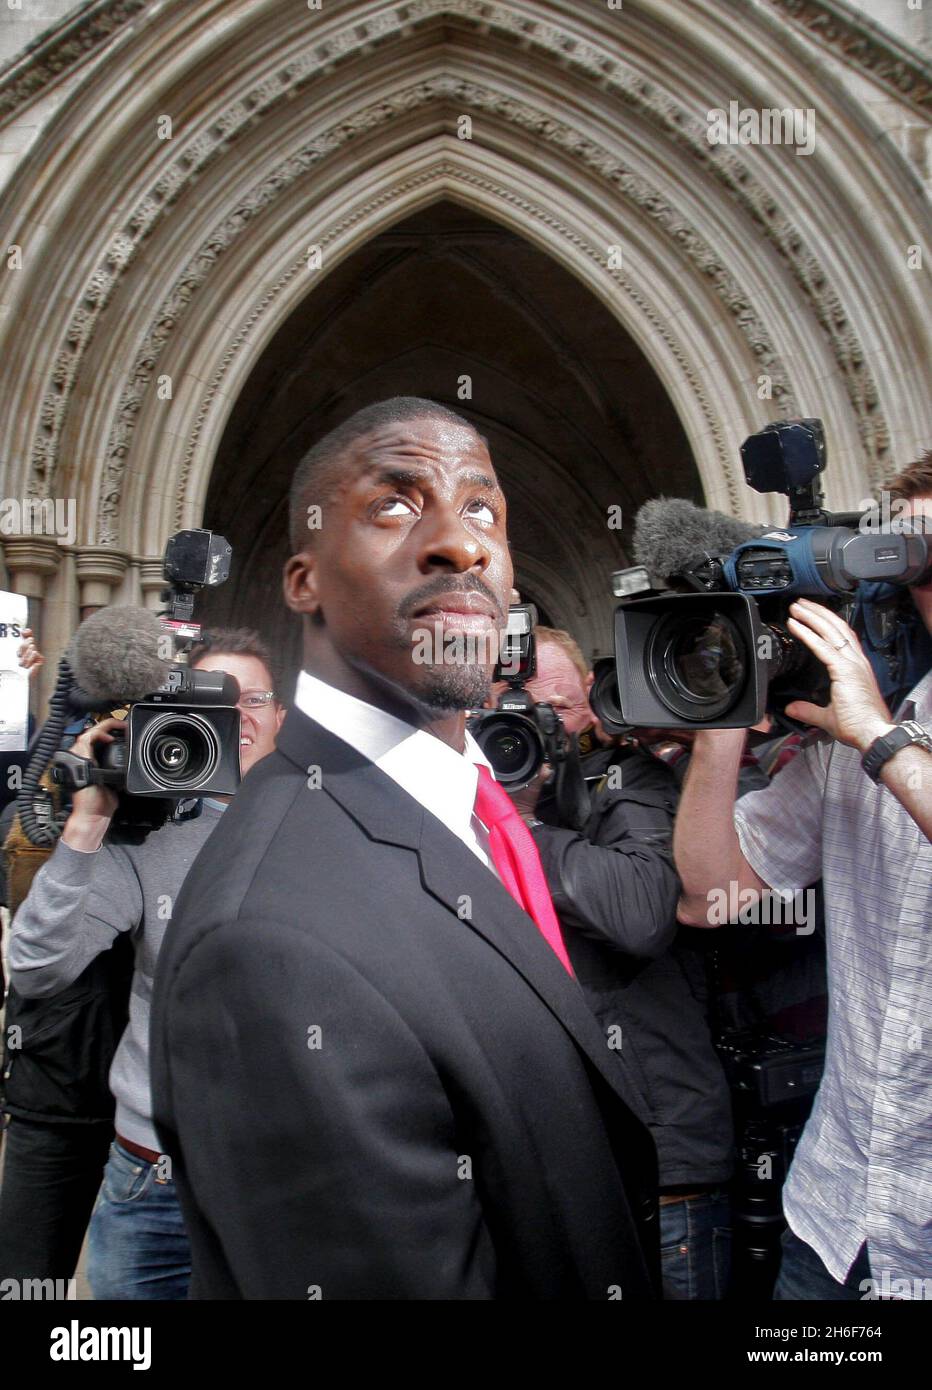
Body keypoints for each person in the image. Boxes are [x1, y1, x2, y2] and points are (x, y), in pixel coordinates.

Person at [150, 396, 660, 1300]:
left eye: (482, 510)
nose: (459, 544)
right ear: (302, 580)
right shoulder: (265, 946)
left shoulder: (472, 814)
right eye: (395, 503)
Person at [674, 453, 932, 1300]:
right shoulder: (858, 730)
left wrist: (881, 743)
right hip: (835, 1223)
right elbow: (713, 897)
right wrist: (722, 718)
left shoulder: (872, 734)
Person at [4, 628, 284, 1299]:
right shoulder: (148, 839)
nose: (235, 716)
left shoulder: (328, 826)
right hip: (147, 1178)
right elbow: (37, 964)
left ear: (282, 716)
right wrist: (87, 813)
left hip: (277, 1183)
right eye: (213, 699)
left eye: (251, 699)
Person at [501, 626, 735, 1299]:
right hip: (548, 1177)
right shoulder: (459, 807)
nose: (538, 726)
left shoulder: (632, 780)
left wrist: (519, 823)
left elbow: (638, 912)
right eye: (512, 706)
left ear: (594, 714)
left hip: (662, 1170)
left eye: (558, 708)